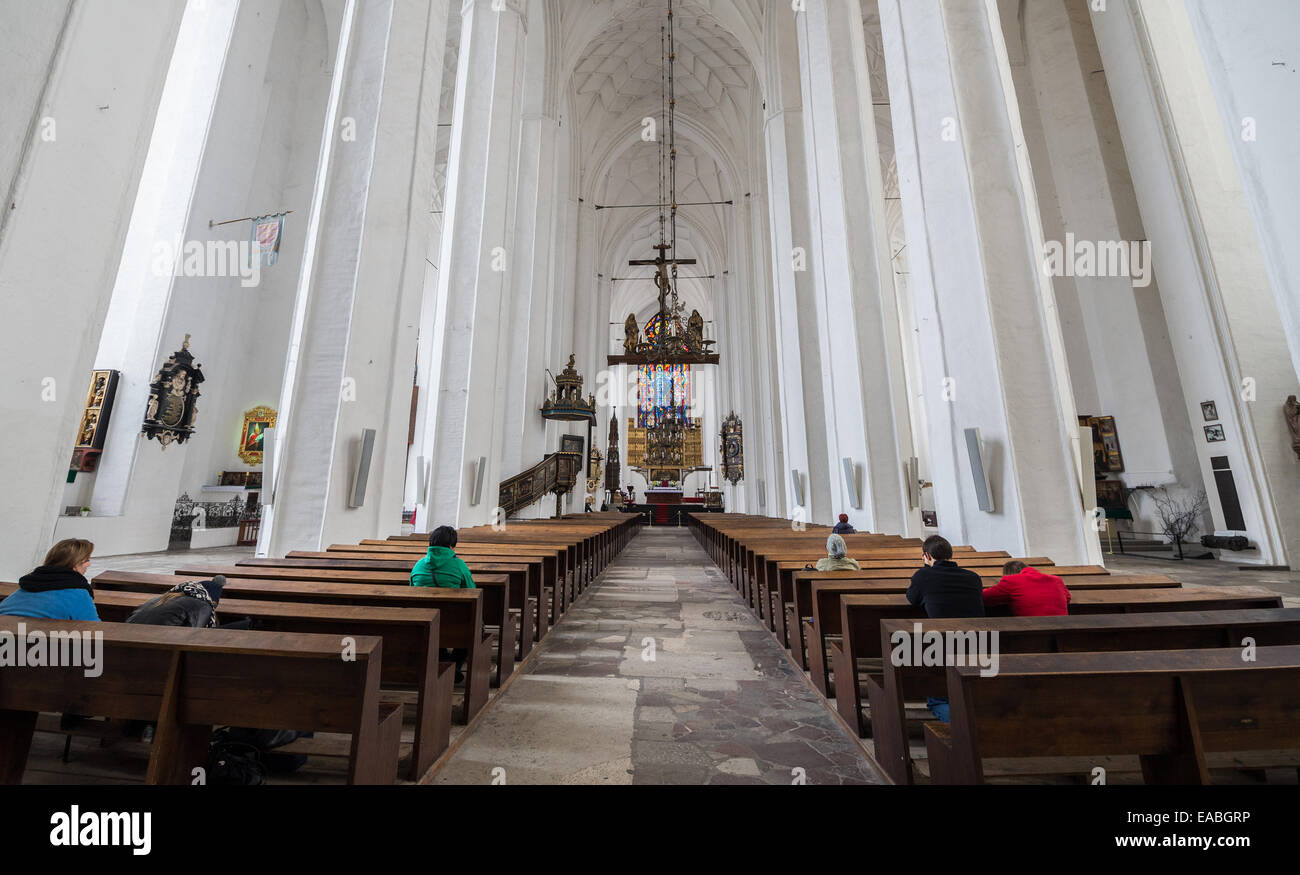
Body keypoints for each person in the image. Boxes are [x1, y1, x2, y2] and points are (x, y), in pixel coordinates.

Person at [905, 535, 984, 722]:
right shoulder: (973, 577)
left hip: (943, 645)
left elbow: (912, 598)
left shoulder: (923, 576)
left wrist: (926, 569)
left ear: (927, 556)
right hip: (977, 642)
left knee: (939, 698)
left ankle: (961, 726)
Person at [411, 526, 475, 682]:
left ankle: (444, 660)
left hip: (424, 620)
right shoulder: (459, 565)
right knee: (474, 625)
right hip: (453, 621)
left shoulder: (418, 566)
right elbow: (472, 593)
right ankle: (455, 665)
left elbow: (411, 592)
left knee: (435, 625)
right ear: (452, 545)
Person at [0, 539, 99, 621]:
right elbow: (94, 629)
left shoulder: (24, 589)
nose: (89, 564)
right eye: (87, 560)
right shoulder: (79, 594)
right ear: (75, 564)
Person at [125, 576, 230, 629]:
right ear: (212, 600)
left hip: (126, 637)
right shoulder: (203, 605)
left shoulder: (162, 598)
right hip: (155, 649)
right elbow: (195, 635)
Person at [981, 560, 1071, 617]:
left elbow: (985, 597)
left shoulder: (1011, 580)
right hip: (1063, 627)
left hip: (1033, 629)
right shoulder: (1056, 579)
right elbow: (1067, 598)